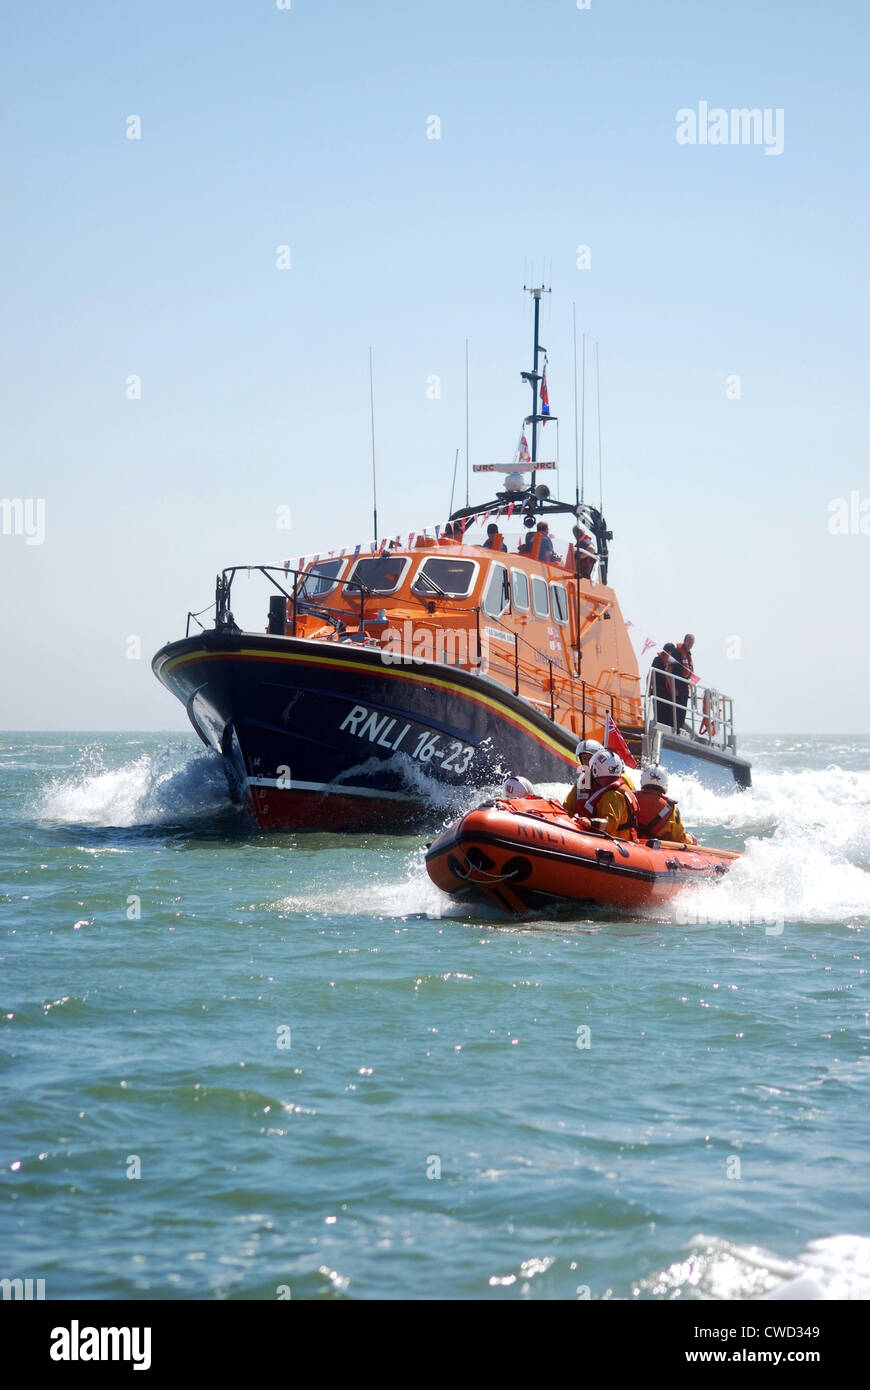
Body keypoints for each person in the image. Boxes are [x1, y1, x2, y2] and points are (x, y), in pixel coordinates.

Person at [580, 750, 639, 840]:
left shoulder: (612, 795)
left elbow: (610, 824)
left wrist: (591, 822)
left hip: (618, 841)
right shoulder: (619, 789)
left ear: (596, 770)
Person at [635, 764, 697, 844]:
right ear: (664, 783)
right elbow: (679, 838)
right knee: (692, 839)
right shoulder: (671, 809)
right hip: (656, 853)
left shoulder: (629, 797)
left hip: (626, 847)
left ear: (642, 779)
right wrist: (691, 839)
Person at [563, 738, 604, 817]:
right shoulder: (581, 783)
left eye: (590, 758)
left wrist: (593, 823)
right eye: (584, 759)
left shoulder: (610, 780)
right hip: (585, 827)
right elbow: (567, 809)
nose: (587, 763)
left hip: (605, 828)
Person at [671, 633, 695, 734]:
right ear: (684, 641)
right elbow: (673, 668)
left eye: (691, 642)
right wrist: (673, 686)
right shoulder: (677, 652)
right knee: (677, 708)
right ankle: (675, 727)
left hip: (684, 685)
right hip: (677, 684)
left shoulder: (688, 655)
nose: (690, 644)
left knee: (683, 708)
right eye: (688, 641)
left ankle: (679, 727)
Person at [650, 646, 676, 729]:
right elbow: (651, 675)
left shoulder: (671, 663)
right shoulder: (657, 660)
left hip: (666, 692)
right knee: (659, 713)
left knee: (667, 714)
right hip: (658, 690)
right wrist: (650, 689)